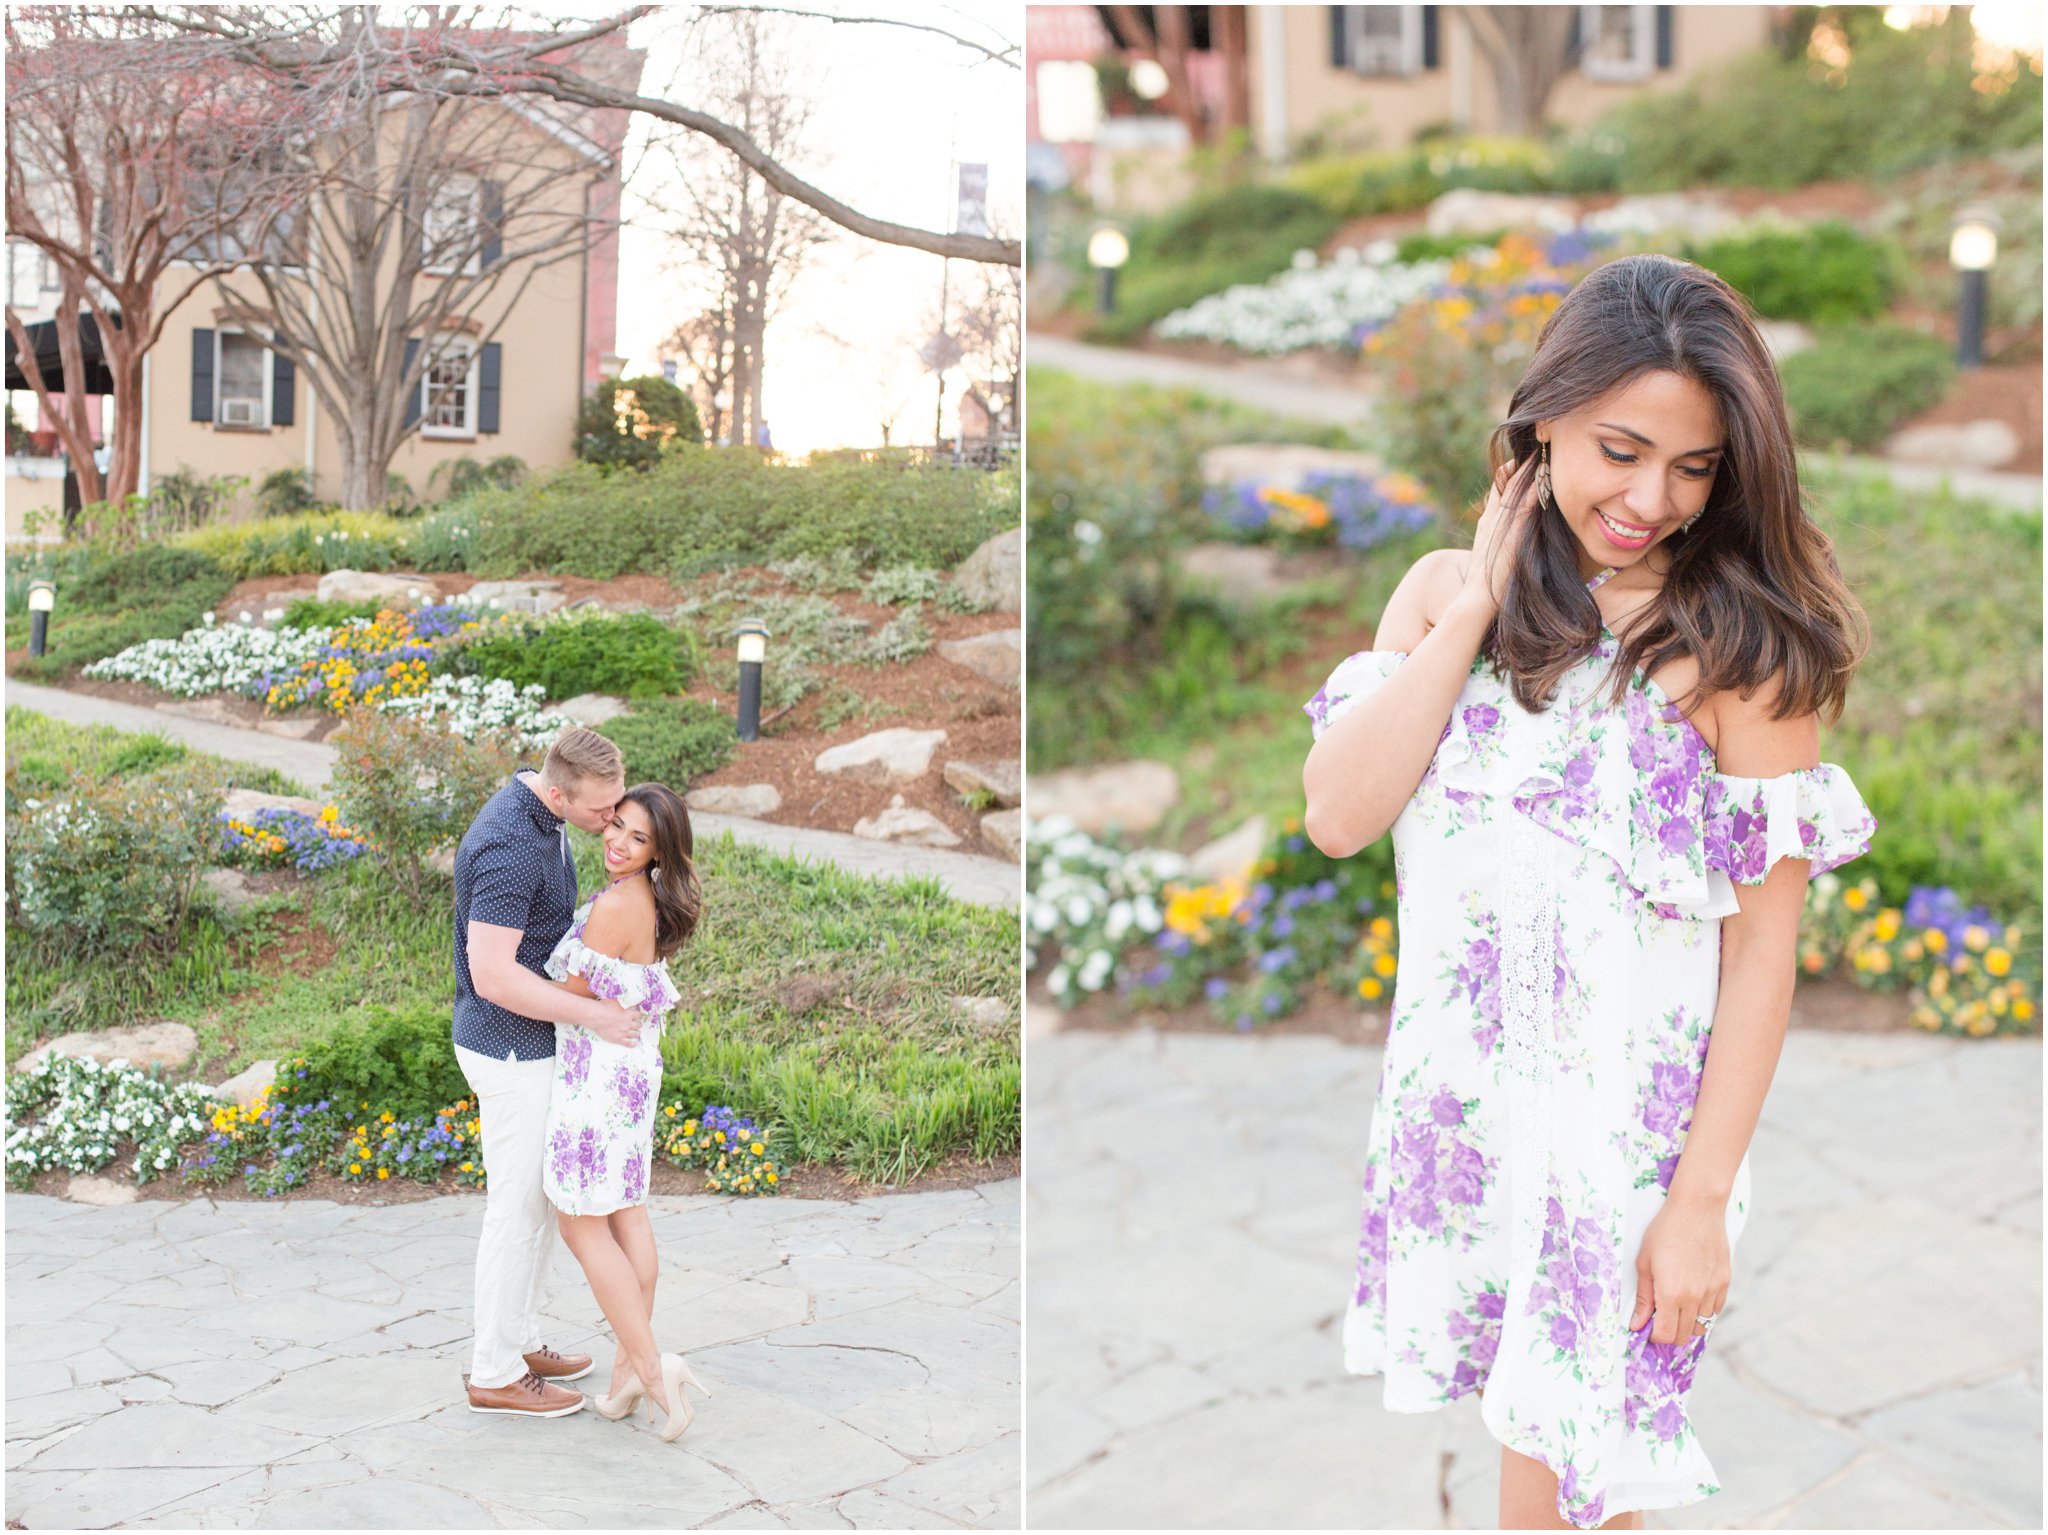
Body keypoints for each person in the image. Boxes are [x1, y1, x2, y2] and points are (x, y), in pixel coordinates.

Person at [1301, 253, 1876, 1530]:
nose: (1649, 499)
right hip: (1469, 1122)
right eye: (1619, 449)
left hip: (1624, 1148)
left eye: (1693, 467)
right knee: (1558, 1492)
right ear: (1542, 417)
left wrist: (1696, 1203)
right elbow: (1338, 815)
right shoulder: (1441, 598)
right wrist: (1475, 605)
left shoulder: (1736, 648)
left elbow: (1761, 954)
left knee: (1564, 1492)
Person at [453, 727, 644, 1419]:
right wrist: (592, 1016)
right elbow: (493, 974)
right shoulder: (510, 844)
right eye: (602, 810)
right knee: (517, 1209)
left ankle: (521, 1339)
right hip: (508, 1048)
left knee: (539, 1200)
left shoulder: (550, 811)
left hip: (533, 1041)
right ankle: (495, 1370)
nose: (612, 821)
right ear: (560, 790)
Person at [536, 780, 713, 1442]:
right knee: (625, 1212)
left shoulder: (616, 905)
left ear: (658, 851)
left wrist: (501, 982)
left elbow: (568, 992)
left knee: (582, 1225)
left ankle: (651, 1364)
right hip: (632, 1073)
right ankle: (625, 1378)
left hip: (599, 1078)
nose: (617, 841)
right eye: (617, 826)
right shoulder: (646, 901)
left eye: (638, 838)